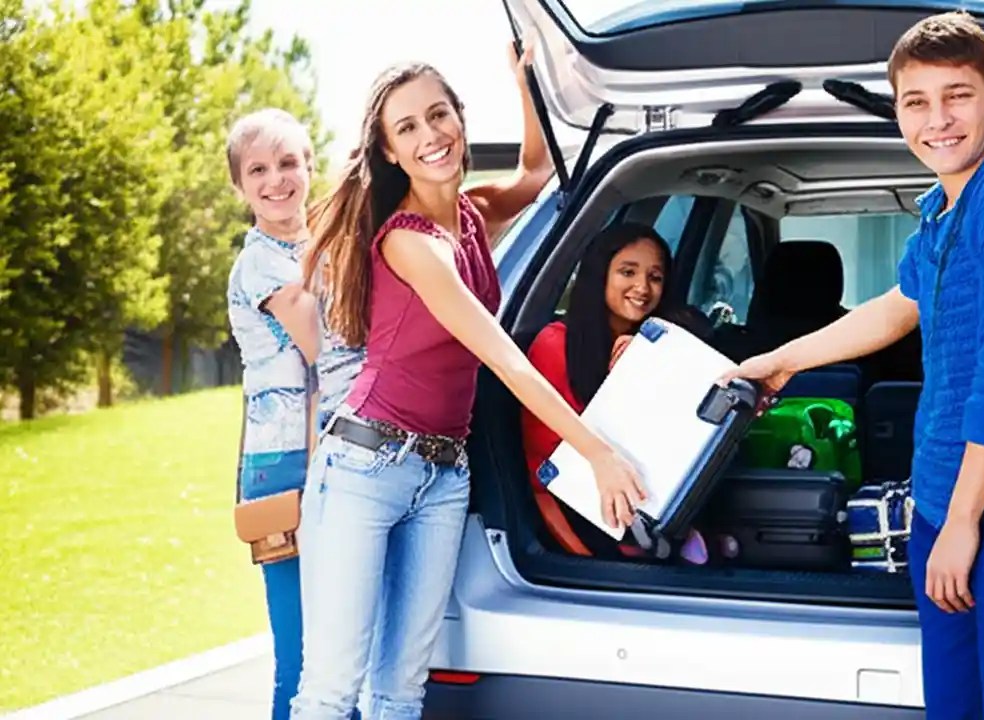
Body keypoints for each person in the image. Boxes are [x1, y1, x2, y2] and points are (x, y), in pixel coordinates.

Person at [721, 11, 984, 719]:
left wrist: (963, 522)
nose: (937, 119)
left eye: (957, 96)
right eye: (916, 101)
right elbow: (897, 308)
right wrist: (779, 361)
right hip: (945, 501)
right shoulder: (944, 210)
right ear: (898, 112)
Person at [289, 47, 646, 720]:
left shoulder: (474, 214)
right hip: (364, 467)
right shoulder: (409, 243)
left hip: (443, 477)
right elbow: (506, 360)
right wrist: (596, 452)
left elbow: (536, 172)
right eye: (408, 128)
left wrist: (525, 83)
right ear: (390, 152)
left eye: (439, 115)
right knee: (331, 690)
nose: (430, 136)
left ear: (459, 117)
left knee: (401, 690)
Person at [520, 222, 709, 564]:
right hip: (573, 494)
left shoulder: (665, 343)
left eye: (655, 277)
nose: (643, 287)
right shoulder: (556, 344)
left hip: (647, 488)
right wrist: (625, 377)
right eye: (627, 272)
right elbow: (556, 452)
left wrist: (651, 362)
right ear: (599, 275)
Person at [223, 108, 319, 720]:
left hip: (328, 452)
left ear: (310, 167)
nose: (275, 180)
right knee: (303, 656)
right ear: (239, 186)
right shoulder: (261, 264)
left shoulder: (318, 247)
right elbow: (323, 346)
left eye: (288, 163)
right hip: (285, 465)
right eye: (257, 170)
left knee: (341, 652)